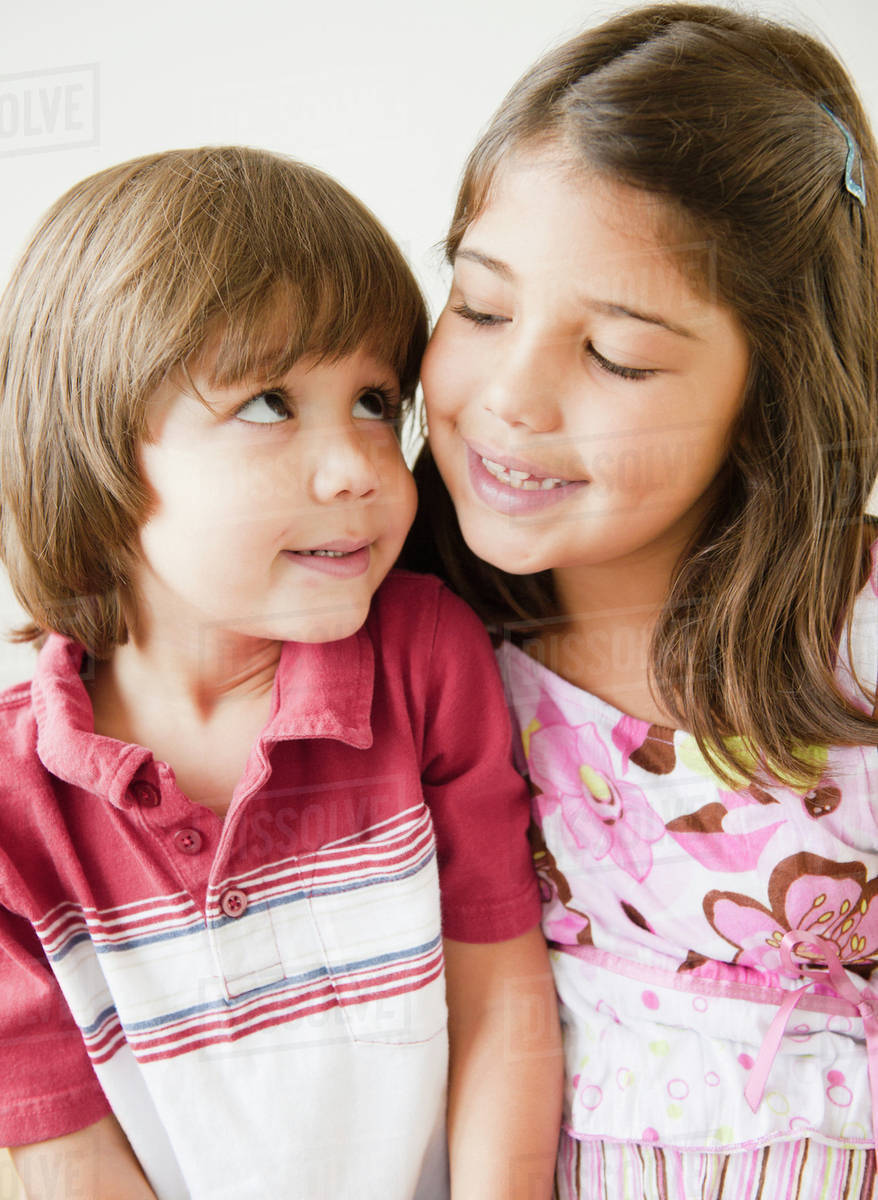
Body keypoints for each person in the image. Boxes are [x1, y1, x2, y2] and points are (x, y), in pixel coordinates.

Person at [0, 146, 562, 1200]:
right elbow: (64, 1159)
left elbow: (501, 1009)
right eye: (267, 402)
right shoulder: (13, 806)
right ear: (99, 451)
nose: (359, 466)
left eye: (370, 401)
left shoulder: (422, 659)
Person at [405, 3, 878, 1196]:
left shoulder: (856, 639)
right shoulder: (418, 642)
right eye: (478, 306)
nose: (509, 395)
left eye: (613, 356)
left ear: (769, 395)